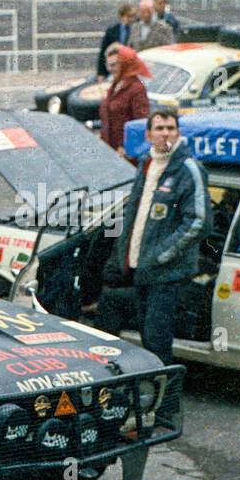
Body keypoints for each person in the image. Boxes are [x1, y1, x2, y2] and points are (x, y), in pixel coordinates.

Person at [96, 108, 209, 365]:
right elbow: (134, 214)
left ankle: (166, 401)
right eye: (159, 128)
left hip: (166, 272)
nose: (165, 133)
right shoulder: (146, 165)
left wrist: (161, 255)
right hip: (141, 269)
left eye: (170, 128)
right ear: (149, 134)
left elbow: (199, 221)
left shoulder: (188, 169)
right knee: (146, 336)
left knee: (157, 340)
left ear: (178, 133)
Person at [99, 43, 150, 157]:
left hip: (126, 154)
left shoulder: (136, 88)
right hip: (110, 150)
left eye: (114, 65)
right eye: (108, 65)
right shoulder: (115, 85)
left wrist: (124, 146)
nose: (110, 69)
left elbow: (140, 123)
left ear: (125, 64)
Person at [97, 3, 136, 81]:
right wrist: (100, 73)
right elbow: (103, 52)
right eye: (128, 16)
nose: (131, 19)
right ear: (122, 16)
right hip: (113, 68)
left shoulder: (135, 30)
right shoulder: (111, 31)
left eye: (132, 16)